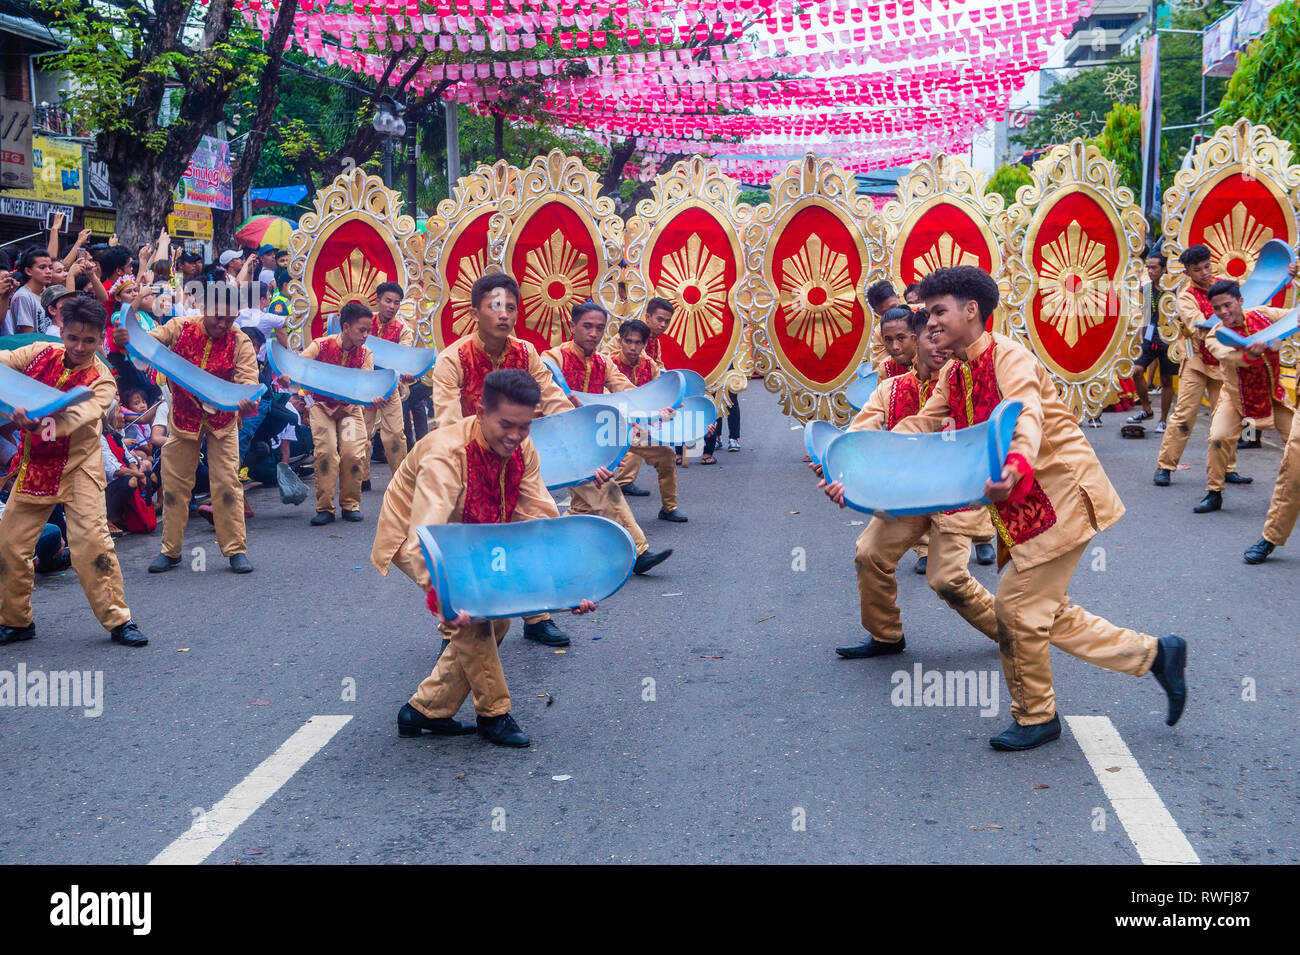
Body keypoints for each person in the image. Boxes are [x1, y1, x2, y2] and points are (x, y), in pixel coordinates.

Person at [826, 266, 1186, 751]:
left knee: (1018, 606)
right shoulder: (954, 372)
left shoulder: (1009, 357)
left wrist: (1016, 464)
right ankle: (1156, 654)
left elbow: (1025, 413)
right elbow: (918, 427)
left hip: (1060, 500)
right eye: (926, 314)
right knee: (1046, 612)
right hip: (1019, 510)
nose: (928, 324)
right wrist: (852, 461)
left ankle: (1038, 715)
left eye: (938, 311)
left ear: (971, 311)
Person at [371, 368, 597, 747]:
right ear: (480, 412)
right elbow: (425, 538)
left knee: (497, 617)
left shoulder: (522, 446)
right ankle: (494, 714)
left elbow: (539, 518)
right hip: (415, 535)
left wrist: (566, 585)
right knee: (473, 620)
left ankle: (425, 710)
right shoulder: (446, 456)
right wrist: (445, 599)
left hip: (474, 534)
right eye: (506, 425)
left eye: (524, 427)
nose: (515, 436)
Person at [825, 306, 1008, 658]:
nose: (940, 345)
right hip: (905, 496)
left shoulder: (965, 384)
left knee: (947, 578)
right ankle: (886, 635)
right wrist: (840, 473)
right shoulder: (889, 390)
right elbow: (859, 440)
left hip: (956, 498)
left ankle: (1010, 632)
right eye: (932, 337)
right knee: (869, 553)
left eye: (945, 338)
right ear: (917, 340)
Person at [428, 272, 575, 646]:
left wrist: (580, 437)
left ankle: (537, 614)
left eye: (511, 307)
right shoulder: (452, 359)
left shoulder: (526, 353)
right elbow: (446, 419)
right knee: (467, 539)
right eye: (496, 306)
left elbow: (552, 397)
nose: (505, 314)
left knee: (531, 525)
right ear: (475, 310)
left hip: (516, 456)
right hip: (467, 460)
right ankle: (455, 622)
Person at [0, 295, 146, 647]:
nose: (80, 347)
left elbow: (80, 417)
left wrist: (37, 425)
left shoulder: (102, 379)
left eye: (90, 340)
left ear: (101, 340)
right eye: (73, 338)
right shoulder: (38, 351)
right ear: (61, 331)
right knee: (9, 544)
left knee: (92, 546)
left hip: (79, 469)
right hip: (33, 468)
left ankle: (119, 620)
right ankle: (16, 620)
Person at [113, 280, 259, 574]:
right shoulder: (180, 327)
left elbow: (248, 380)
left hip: (222, 421)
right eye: (219, 316)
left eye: (230, 319)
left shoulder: (240, 340)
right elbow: (148, 341)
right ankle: (171, 550)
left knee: (227, 484)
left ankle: (235, 550)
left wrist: (246, 399)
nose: (223, 324)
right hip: (183, 419)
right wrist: (126, 338)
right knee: (175, 486)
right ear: (205, 307)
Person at [543, 301, 677, 579]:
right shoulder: (552, 359)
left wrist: (657, 411)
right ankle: (638, 551)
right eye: (587, 326)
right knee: (606, 490)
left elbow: (628, 395)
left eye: (599, 328)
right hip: (562, 444)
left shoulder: (603, 363)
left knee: (582, 505)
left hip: (596, 438)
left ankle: (549, 547)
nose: (594, 333)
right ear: (573, 326)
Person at [1194, 279, 1296, 515]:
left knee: (1296, 440)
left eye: (1228, 305)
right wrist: (1250, 352)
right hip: (1235, 397)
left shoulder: (1263, 314)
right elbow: (1227, 355)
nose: (1223, 312)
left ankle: (1293, 493)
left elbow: (1293, 317)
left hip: (1273, 395)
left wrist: (1294, 275)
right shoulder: (1215, 334)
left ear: (1240, 301)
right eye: (1217, 308)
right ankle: (1214, 492)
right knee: (1218, 438)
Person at [1152, 245, 1251, 488]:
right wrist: (1229, 319)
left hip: (1224, 363)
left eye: (1207, 267)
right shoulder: (1186, 296)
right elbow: (1199, 324)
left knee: (1227, 419)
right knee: (1184, 415)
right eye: (1197, 270)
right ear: (1187, 272)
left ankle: (1227, 468)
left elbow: (1249, 306)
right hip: (1197, 362)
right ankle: (1165, 466)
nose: (1204, 273)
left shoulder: (1225, 286)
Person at [281, 300, 384, 525]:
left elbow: (367, 383)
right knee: (326, 453)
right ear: (346, 327)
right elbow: (298, 367)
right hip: (321, 407)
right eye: (362, 330)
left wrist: (374, 396)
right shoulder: (320, 345)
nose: (366, 335)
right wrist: (287, 376)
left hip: (348, 410)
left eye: (369, 331)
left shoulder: (366, 353)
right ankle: (325, 508)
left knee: (352, 454)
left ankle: (350, 504)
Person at [610, 318, 686, 522]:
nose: (632, 347)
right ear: (620, 341)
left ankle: (669, 509)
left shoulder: (649, 365)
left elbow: (659, 396)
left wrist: (675, 407)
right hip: (610, 430)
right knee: (597, 479)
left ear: (644, 345)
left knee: (667, 455)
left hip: (638, 432)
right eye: (628, 341)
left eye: (637, 343)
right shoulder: (608, 363)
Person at [360, 281, 412, 490]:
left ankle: (400, 480)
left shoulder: (403, 330)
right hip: (364, 387)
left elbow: (404, 357)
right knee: (361, 434)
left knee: (396, 435)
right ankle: (361, 479)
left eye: (396, 303)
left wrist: (405, 370)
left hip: (390, 388)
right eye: (388, 301)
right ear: (378, 300)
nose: (392, 306)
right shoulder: (363, 322)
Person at [1127, 250, 1177, 432]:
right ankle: (1146, 409)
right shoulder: (1145, 290)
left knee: (1166, 381)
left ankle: (1163, 420)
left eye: (1154, 268)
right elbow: (1141, 313)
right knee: (1137, 371)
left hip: (1168, 340)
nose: (1150, 271)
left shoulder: (1172, 290)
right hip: (1149, 339)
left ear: (1164, 269)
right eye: (1148, 267)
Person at [7, 248, 54, 334]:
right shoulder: (23, 297)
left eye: (50, 267)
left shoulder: (45, 295)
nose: (48, 271)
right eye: (42, 267)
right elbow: (28, 336)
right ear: (28, 271)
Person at [865, 279, 902, 368]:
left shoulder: (919, 312)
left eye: (894, 307)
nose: (892, 315)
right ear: (877, 312)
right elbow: (880, 367)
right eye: (886, 313)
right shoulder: (879, 334)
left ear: (898, 297)